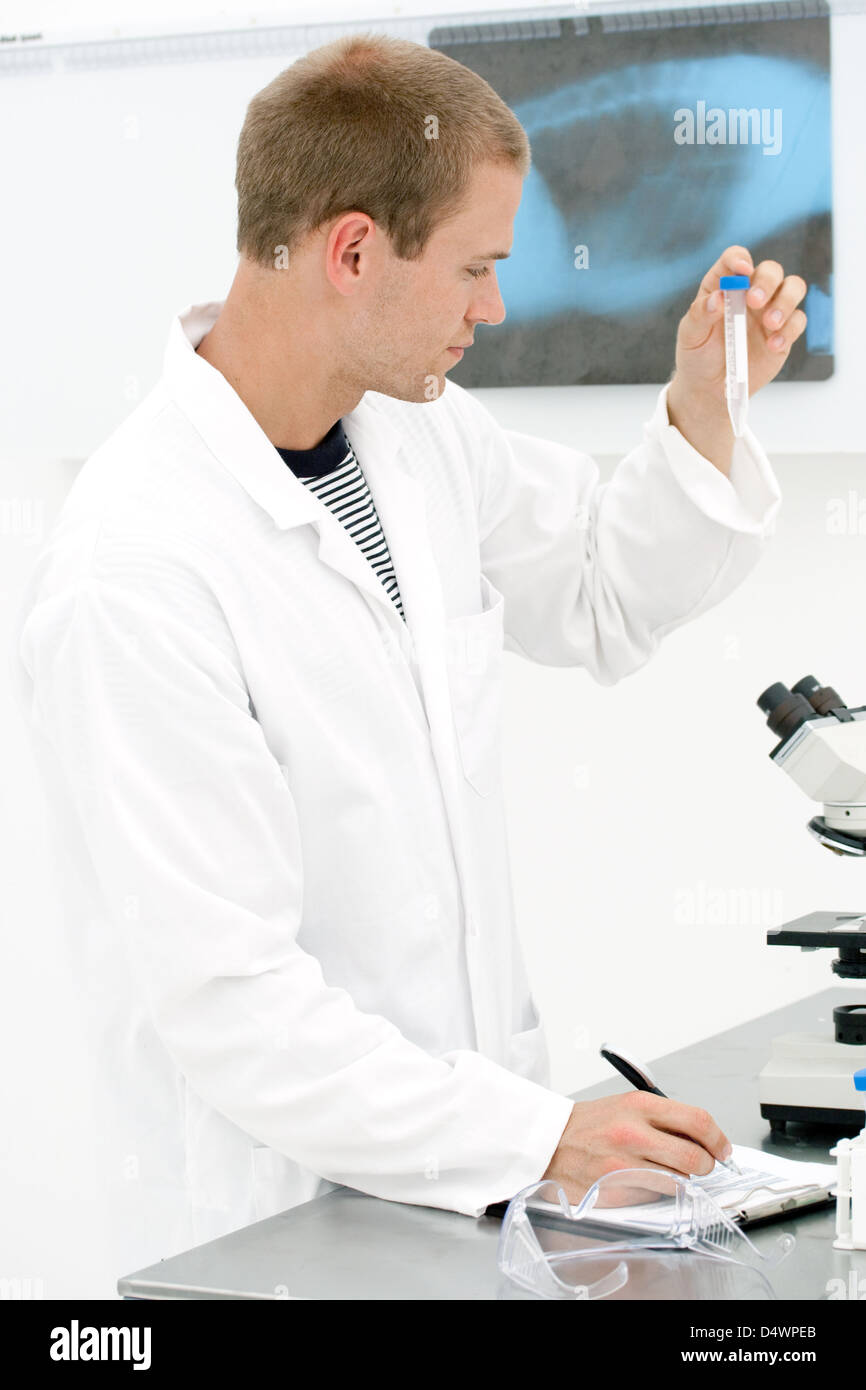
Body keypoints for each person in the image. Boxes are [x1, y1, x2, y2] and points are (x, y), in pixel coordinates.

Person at [13, 32, 805, 1277]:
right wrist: (537, 1134)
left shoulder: (415, 438)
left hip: (468, 1200)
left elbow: (596, 591)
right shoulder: (137, 569)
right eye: (475, 269)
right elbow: (237, 1010)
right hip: (270, 1233)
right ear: (350, 251)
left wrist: (704, 411)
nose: (493, 308)